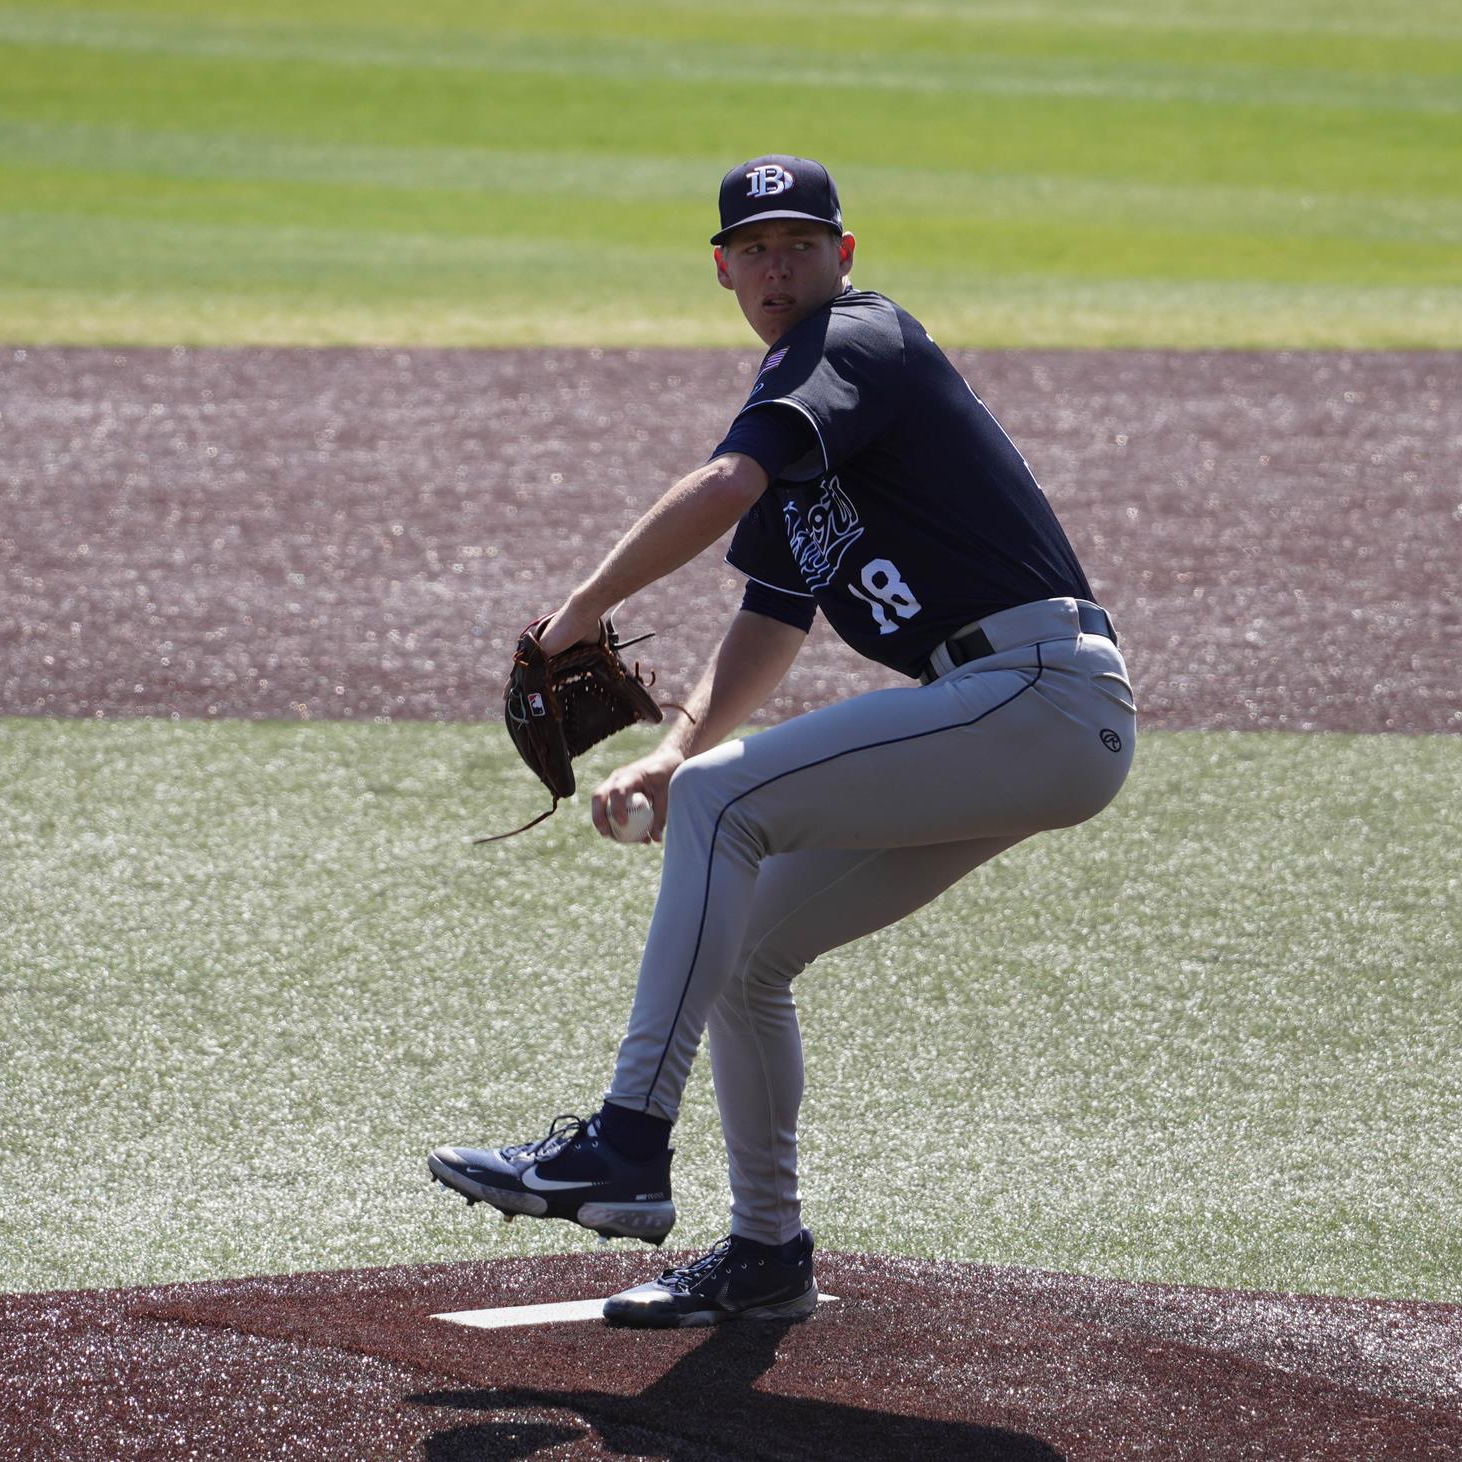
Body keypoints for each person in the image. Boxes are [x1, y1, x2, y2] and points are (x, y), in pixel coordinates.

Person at [429, 154, 1136, 1328]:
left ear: (842, 256)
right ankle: (765, 1252)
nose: (777, 264)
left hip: (1034, 692)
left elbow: (721, 481)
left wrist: (571, 621)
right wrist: (671, 747)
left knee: (723, 806)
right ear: (720, 269)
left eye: (799, 242)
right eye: (754, 247)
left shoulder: (855, 341)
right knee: (747, 950)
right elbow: (771, 611)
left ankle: (624, 1142)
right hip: (1020, 720)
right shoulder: (805, 418)